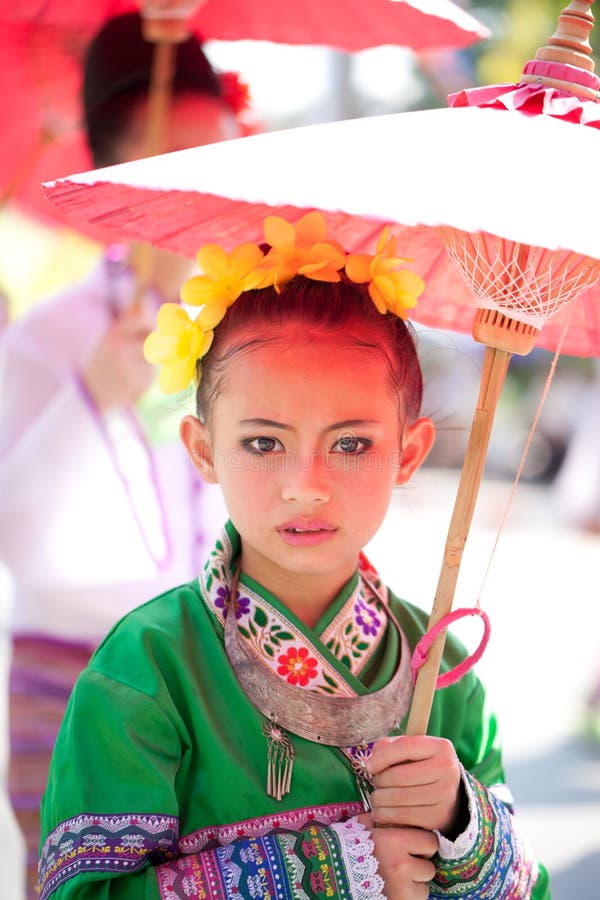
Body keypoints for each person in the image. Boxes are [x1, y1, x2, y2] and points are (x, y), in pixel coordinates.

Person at [38, 213, 549, 899]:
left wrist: (461, 819)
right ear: (201, 449)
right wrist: (331, 870)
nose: (305, 486)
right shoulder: (146, 669)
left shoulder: (446, 672)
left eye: (351, 444)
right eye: (263, 443)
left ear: (412, 452)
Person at [0, 12, 246, 896]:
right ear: (110, 174)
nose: (196, 195)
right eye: (169, 168)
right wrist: (92, 395)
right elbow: (18, 537)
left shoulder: (243, 331)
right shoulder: (50, 336)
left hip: (205, 681)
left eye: (214, 160)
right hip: (71, 674)